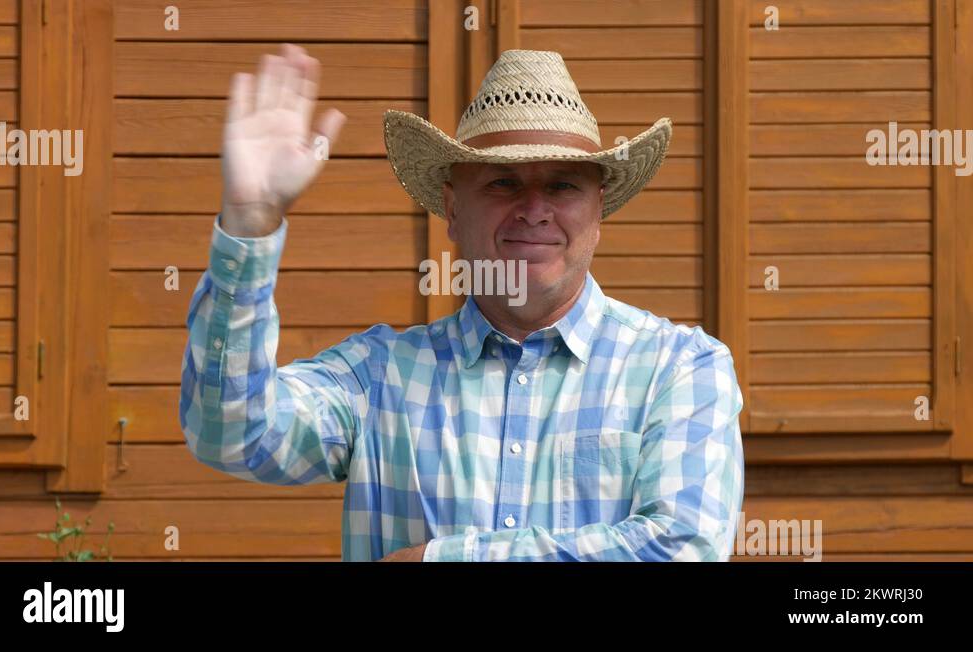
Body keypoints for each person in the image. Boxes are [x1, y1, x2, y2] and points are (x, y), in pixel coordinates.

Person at [180, 44, 744, 562]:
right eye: (502, 182)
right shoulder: (378, 377)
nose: (533, 209)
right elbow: (230, 435)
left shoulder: (680, 367)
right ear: (453, 209)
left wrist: (441, 560)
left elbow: (683, 547)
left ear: (599, 210)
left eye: (563, 185)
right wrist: (250, 224)